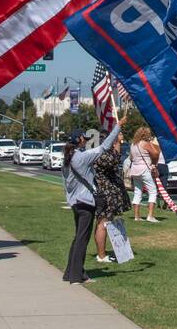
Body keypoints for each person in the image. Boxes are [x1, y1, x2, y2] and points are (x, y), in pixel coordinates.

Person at [62, 122, 121, 285]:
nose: (86, 141)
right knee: (82, 239)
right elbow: (103, 148)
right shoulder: (80, 157)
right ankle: (76, 276)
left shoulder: (69, 157)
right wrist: (118, 127)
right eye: (84, 138)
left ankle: (71, 272)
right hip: (85, 202)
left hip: (75, 202)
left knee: (78, 238)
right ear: (79, 140)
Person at [93, 131, 131, 262]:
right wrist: (117, 142)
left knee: (101, 222)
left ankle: (101, 252)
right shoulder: (100, 154)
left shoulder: (99, 153)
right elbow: (114, 160)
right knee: (103, 223)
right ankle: (101, 255)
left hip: (106, 192)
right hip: (105, 193)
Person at [128, 127, 161, 222]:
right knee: (153, 191)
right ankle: (150, 216)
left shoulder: (133, 144)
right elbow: (155, 153)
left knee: (137, 192)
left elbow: (131, 157)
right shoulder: (145, 144)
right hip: (145, 170)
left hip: (135, 170)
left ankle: (136, 216)